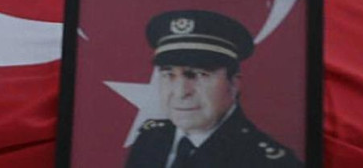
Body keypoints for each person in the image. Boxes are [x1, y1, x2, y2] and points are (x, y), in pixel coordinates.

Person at [126, 10, 302, 168]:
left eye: (199, 74)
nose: (180, 92)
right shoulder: (150, 139)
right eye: (168, 74)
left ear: (234, 83)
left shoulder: (267, 162)